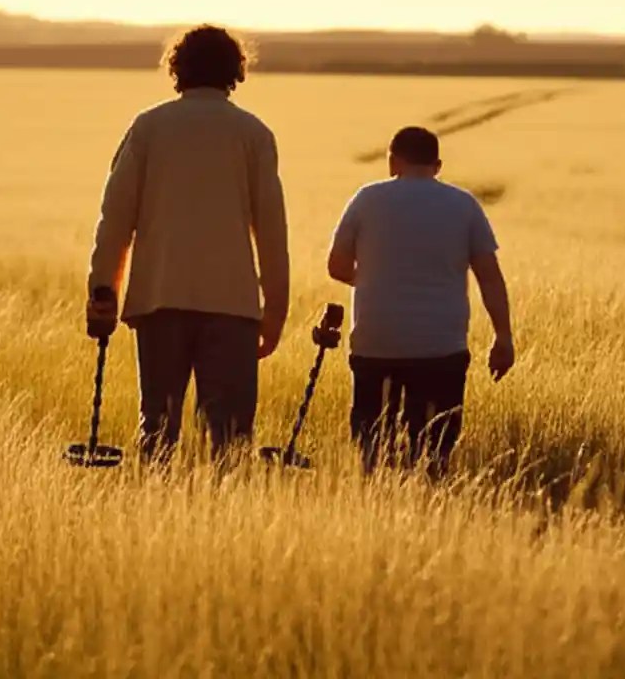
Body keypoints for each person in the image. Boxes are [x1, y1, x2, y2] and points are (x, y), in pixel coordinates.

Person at [86, 25, 289, 465]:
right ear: (236, 71)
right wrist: (275, 308)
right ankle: (224, 523)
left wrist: (102, 290)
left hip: (160, 300)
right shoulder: (254, 134)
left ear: (177, 68)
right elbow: (272, 231)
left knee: (156, 428)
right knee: (231, 438)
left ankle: (154, 516)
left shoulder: (148, 127)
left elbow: (115, 219)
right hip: (233, 304)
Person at [327, 126, 514, 480]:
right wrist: (502, 336)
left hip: (375, 344)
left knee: (373, 445)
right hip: (441, 348)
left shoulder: (367, 198)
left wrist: (371, 279)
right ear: (438, 165)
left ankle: (373, 511)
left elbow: (337, 267)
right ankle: (428, 509)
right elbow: (490, 276)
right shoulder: (464, 204)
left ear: (392, 161)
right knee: (434, 450)